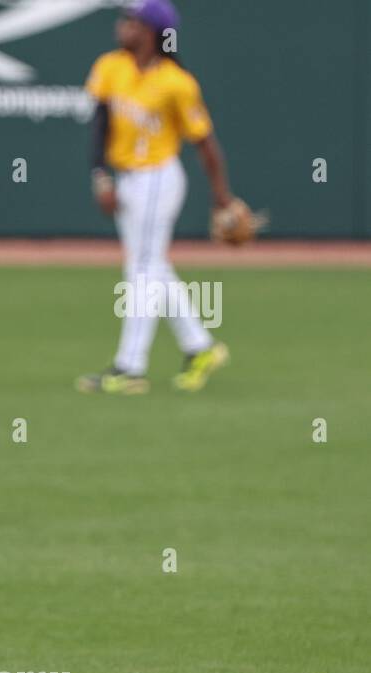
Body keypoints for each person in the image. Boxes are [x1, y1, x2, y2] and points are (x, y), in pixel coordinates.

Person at [77, 0, 233, 395]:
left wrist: (222, 198)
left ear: (151, 32)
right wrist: (101, 178)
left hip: (158, 179)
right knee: (154, 268)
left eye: (132, 20)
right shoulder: (110, 66)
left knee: (142, 271)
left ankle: (130, 367)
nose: (123, 25)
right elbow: (100, 125)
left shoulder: (177, 82)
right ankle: (200, 346)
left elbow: (206, 143)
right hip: (127, 179)